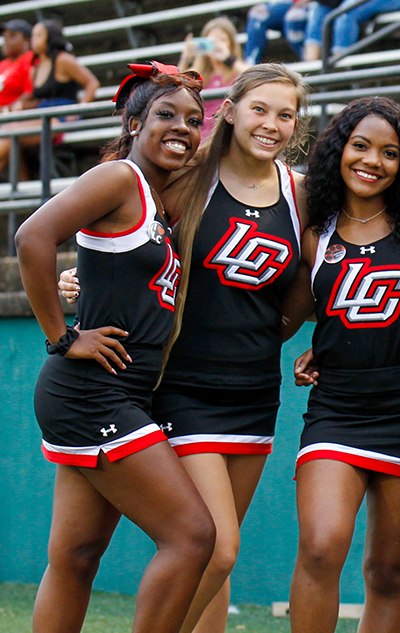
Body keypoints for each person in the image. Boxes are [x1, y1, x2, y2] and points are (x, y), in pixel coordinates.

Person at [60, 63, 310, 633]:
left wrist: (285, 337)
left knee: (215, 566)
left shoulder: (300, 193)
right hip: (179, 387)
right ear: (231, 110)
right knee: (214, 547)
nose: (271, 123)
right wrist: (74, 279)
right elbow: (104, 226)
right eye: (260, 108)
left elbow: (308, 283)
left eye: (285, 114)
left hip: (253, 391)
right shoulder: (187, 170)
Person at [15, 62, 216, 633]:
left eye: (193, 121)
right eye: (166, 115)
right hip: (93, 394)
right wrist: (63, 337)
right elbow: (31, 237)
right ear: (132, 123)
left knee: (76, 558)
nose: (182, 127)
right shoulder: (120, 179)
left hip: (111, 395)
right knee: (192, 536)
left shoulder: (155, 198)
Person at [282, 96, 400, 633]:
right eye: (360, 146)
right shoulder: (314, 227)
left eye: (389, 152)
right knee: (322, 547)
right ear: (339, 150)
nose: (373, 160)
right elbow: (290, 310)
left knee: (389, 571)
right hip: (336, 407)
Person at [0, 19, 99, 178]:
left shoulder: (63, 60)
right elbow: (33, 98)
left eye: (39, 35)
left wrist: (78, 109)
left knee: (6, 134)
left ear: (50, 38)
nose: (33, 40)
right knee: (8, 135)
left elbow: (92, 84)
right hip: (42, 116)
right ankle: (21, 188)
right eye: (33, 36)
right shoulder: (36, 66)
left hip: (59, 118)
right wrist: (19, 105)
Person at [180, 16, 251, 140]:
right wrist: (185, 59)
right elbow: (175, 86)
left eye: (222, 40)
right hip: (200, 138)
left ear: (231, 44)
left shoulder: (238, 71)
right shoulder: (198, 74)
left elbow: (256, 76)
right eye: (211, 41)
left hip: (228, 138)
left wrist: (228, 59)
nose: (216, 45)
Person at [245, 0, 310, 64]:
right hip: (288, 3)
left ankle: (307, 58)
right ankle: (250, 64)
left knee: (294, 17)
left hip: (309, 4)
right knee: (257, 13)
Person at [0, 19, 34, 111]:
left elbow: (30, 93)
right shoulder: (3, 64)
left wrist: (6, 109)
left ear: (27, 40)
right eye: (4, 37)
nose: (6, 41)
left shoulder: (30, 59)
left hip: (16, 117)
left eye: (12, 36)